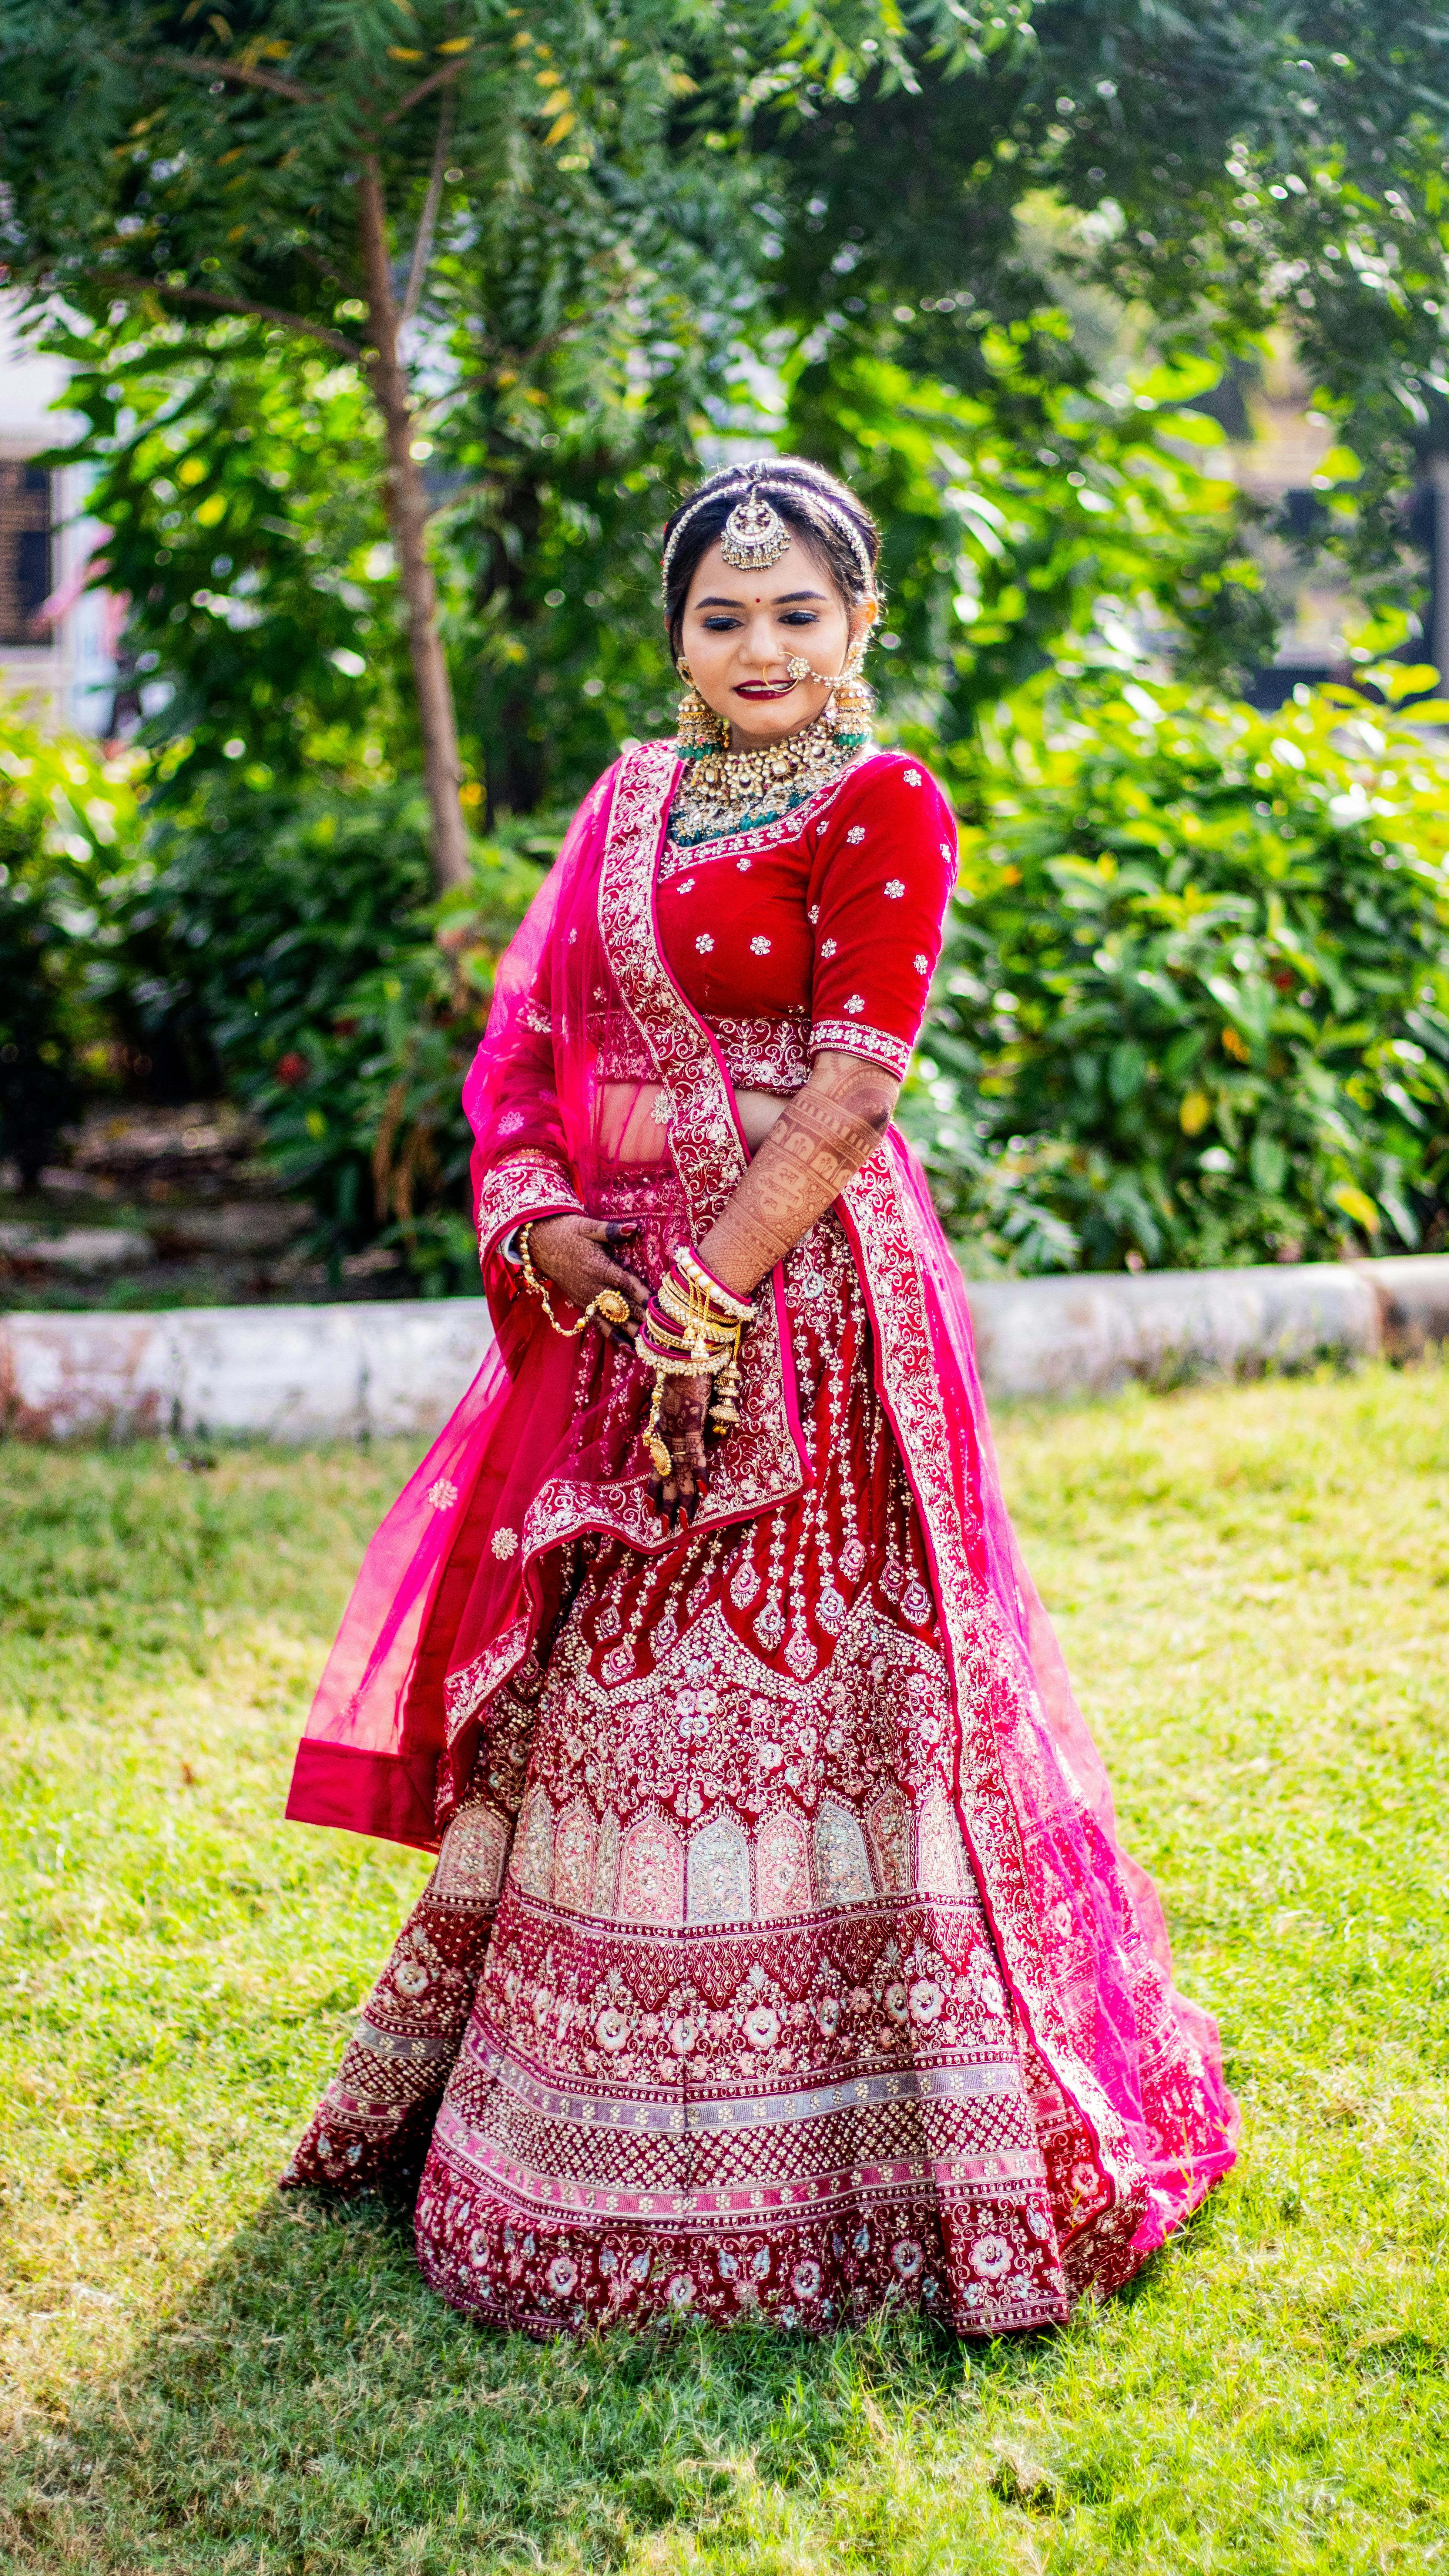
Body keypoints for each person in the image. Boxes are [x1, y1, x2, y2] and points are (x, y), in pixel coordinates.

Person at [282, 458, 1238, 2337]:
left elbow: (854, 1087)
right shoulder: (629, 798)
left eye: (798, 612)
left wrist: (707, 1298)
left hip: (806, 1310)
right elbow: (528, 1038)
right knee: (616, 1707)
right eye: (724, 618)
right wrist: (542, 1222)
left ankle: (875, 2151)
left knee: (827, 1698)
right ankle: (576, 2144)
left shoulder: (884, 803)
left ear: (857, 625)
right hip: (625, 1311)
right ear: (679, 638)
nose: (762, 646)